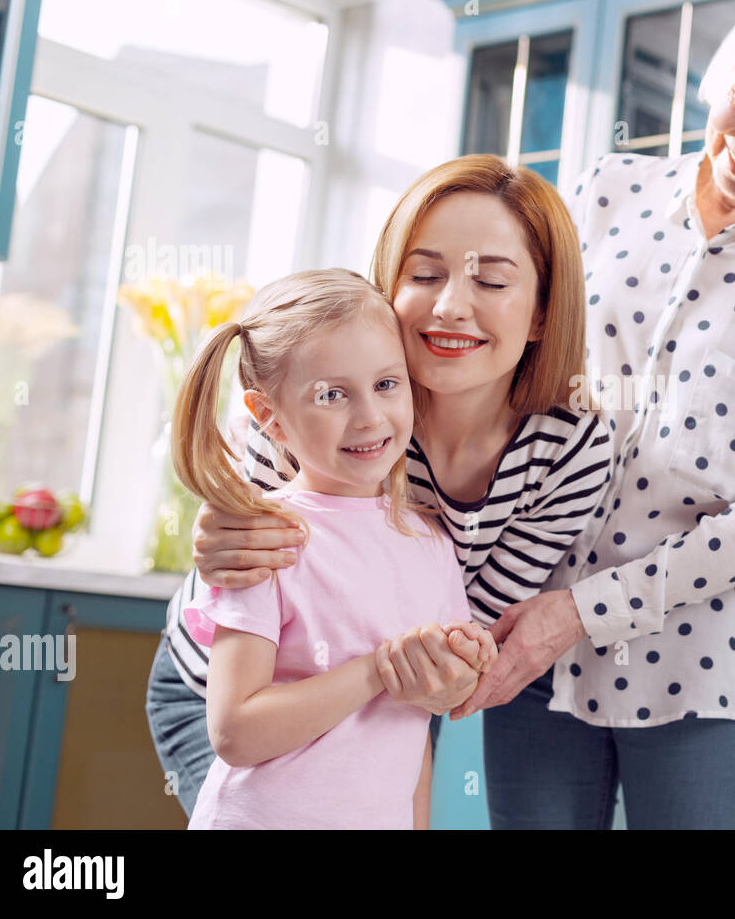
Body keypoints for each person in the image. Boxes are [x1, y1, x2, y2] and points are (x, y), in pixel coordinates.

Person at [409, 0, 735, 829]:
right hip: (525, 638)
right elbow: (494, 371)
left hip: (700, 670)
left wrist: (580, 612)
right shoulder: (606, 192)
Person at [144, 156, 612, 816]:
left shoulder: (567, 446)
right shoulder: (326, 386)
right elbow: (244, 690)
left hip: (380, 717)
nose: (450, 306)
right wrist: (223, 528)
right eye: (424, 274)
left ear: (541, 312)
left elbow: (439, 669)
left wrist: (452, 668)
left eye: (491, 280)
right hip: (220, 694)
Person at [168, 268, 497, 828]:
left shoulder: (433, 545)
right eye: (331, 395)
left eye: (387, 384)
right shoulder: (264, 541)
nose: (369, 417)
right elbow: (234, 732)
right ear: (269, 418)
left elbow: (418, 721)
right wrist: (377, 672)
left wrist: (464, 667)